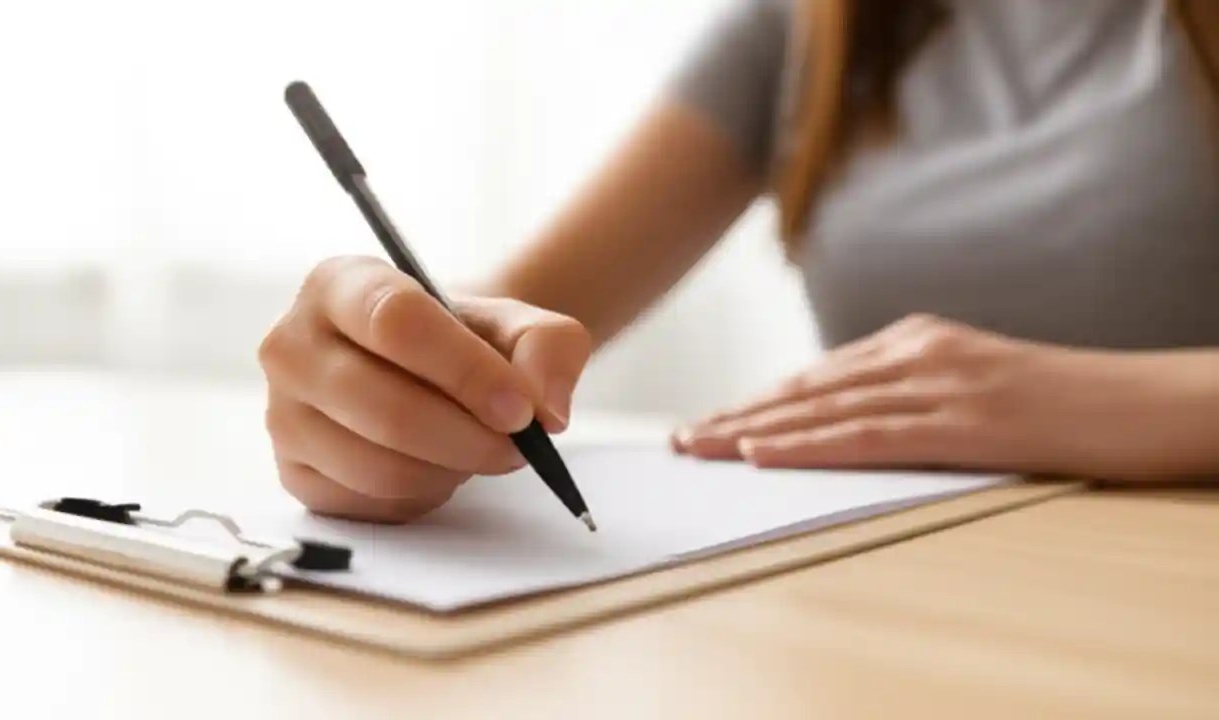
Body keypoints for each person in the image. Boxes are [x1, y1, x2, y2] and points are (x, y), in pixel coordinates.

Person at [258, 0, 1219, 523]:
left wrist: (1080, 404)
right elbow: (501, 320)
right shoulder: (816, 24)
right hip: (896, 600)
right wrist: (383, 372)